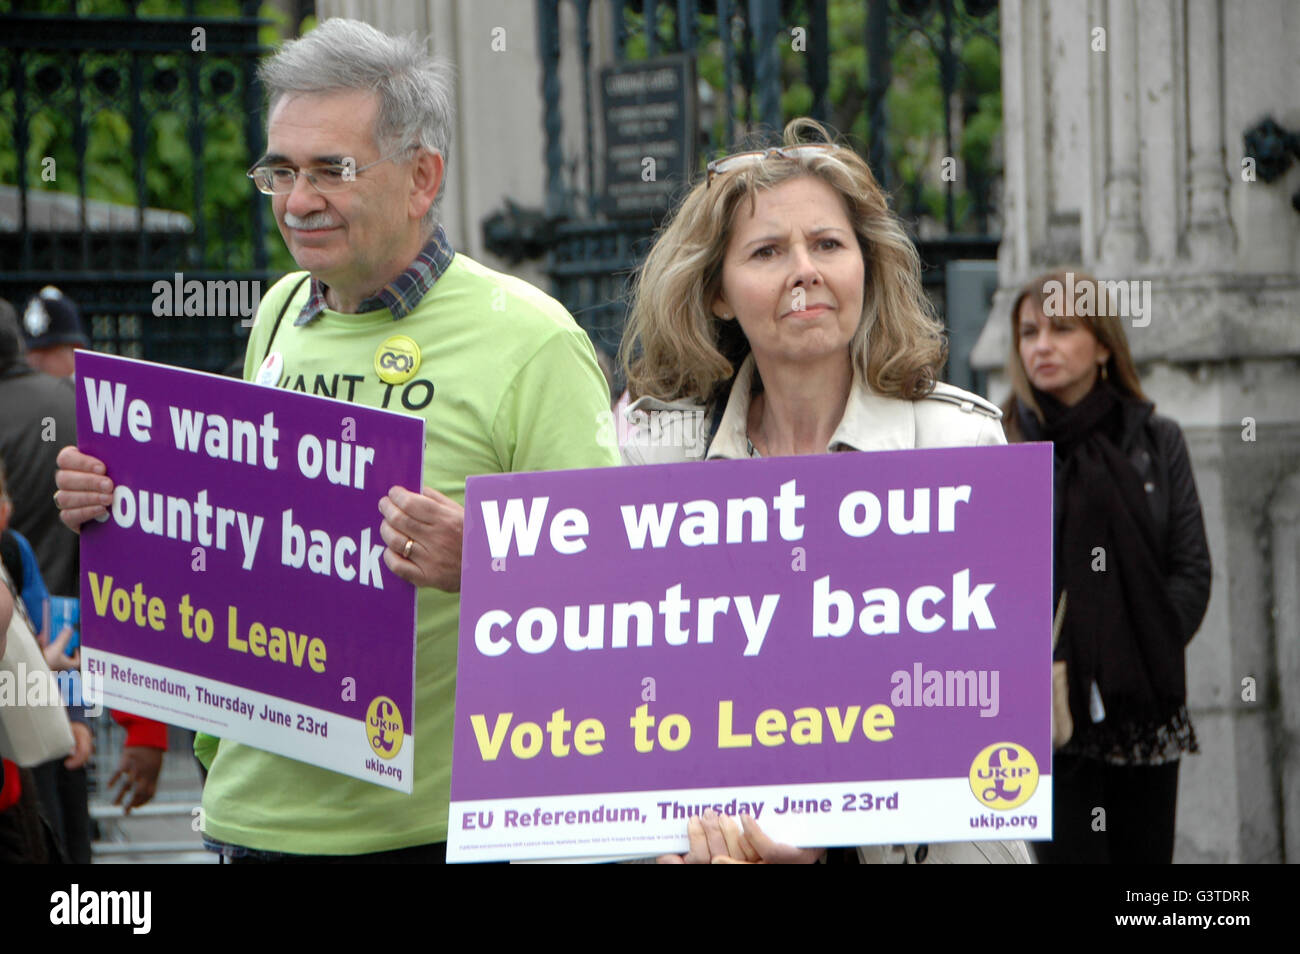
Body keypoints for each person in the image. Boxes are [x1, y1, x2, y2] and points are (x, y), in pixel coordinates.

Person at [55, 18, 619, 862]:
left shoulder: (533, 338)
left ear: (422, 178)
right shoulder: (281, 312)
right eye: (280, 170)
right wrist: (121, 502)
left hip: (429, 835)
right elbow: (247, 538)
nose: (296, 200)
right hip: (252, 822)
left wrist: (490, 561)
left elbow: (618, 589)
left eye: (332, 170)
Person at [619, 118, 1028, 864]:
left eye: (828, 245)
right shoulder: (653, 465)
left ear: (864, 268)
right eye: (768, 251)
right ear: (716, 292)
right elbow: (638, 691)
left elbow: (977, 698)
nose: (803, 270)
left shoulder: (960, 446)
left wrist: (821, 828)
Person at [1000, 270, 1210, 864]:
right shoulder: (1001, 442)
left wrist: (1136, 651)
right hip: (1045, 709)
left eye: (1062, 329)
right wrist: (1050, 662)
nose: (1041, 345)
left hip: (1140, 708)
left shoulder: (1156, 440)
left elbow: (1190, 569)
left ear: (1101, 344)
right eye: (1029, 331)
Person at [21, 286, 88, 380]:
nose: (36, 361)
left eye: (46, 350)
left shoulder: (93, 392)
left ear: (76, 352)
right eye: (30, 352)